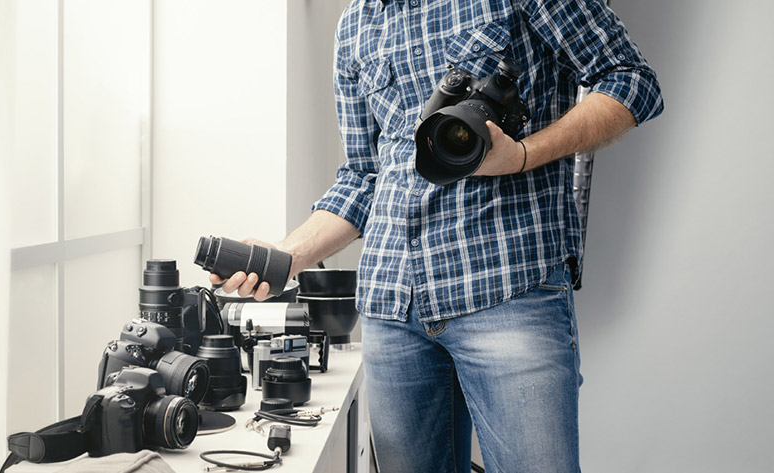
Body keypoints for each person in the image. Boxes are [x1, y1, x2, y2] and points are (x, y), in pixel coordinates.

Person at [211, 0, 663, 471]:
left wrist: (523, 155)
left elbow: (631, 81)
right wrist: (285, 255)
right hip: (391, 307)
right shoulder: (356, 23)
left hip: (507, 288)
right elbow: (365, 176)